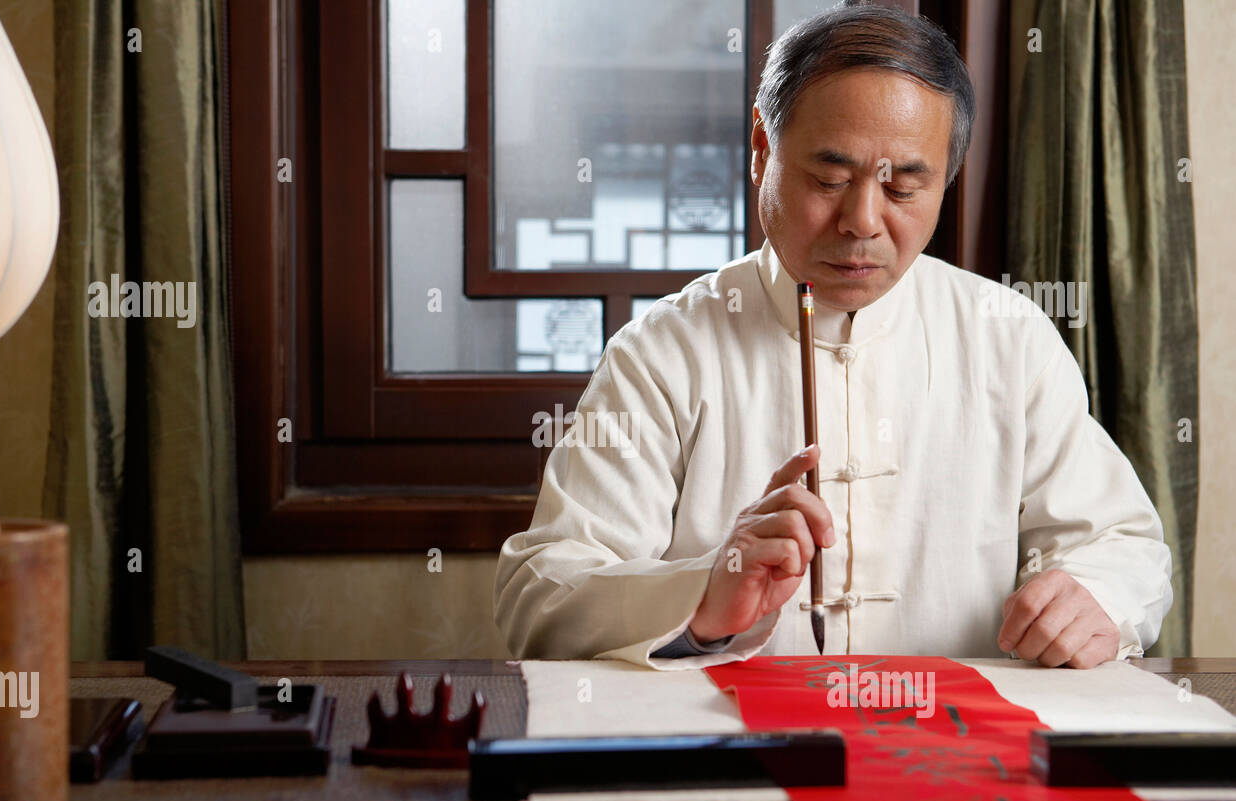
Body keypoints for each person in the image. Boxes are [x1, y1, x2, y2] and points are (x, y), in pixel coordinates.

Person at [493, 5, 1172, 670]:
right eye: (829, 179)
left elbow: (1123, 544)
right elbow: (541, 596)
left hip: (953, 755)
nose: (862, 222)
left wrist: (1096, 597)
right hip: (737, 757)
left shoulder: (1010, 339)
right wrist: (704, 591)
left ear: (946, 179)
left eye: (905, 187)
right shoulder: (664, 352)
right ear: (762, 149)